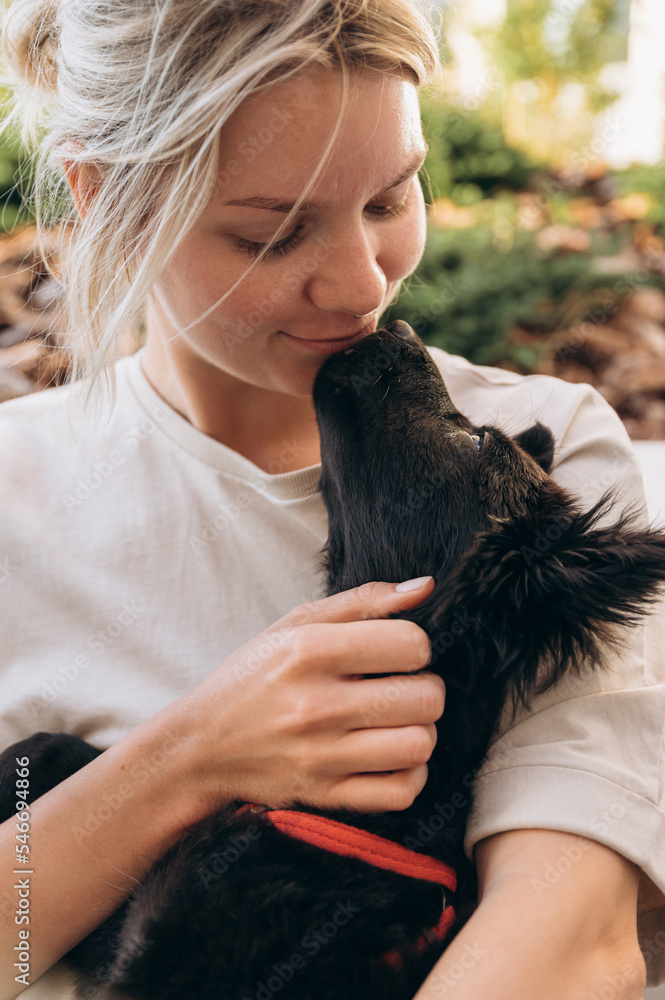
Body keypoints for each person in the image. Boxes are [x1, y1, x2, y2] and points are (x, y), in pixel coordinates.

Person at [0, 1, 663, 998]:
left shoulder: (536, 450)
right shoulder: (17, 500)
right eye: (272, 235)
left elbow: (571, 935)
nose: (361, 287)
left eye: (392, 198)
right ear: (100, 199)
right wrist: (191, 758)